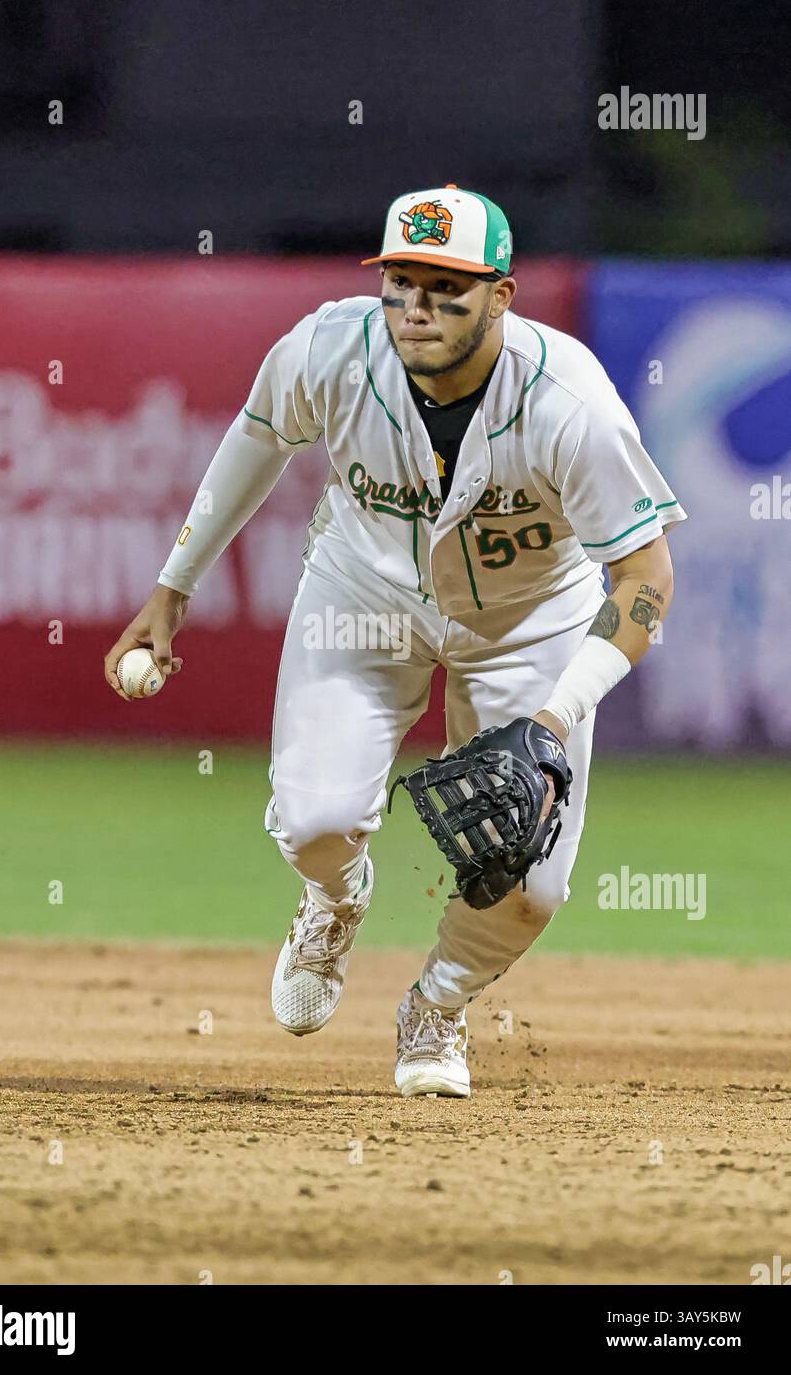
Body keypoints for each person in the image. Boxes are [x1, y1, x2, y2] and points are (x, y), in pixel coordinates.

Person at [105, 184, 684, 1099]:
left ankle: (437, 1006)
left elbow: (645, 580)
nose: (416, 307)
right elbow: (256, 442)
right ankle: (335, 904)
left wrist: (551, 717)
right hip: (363, 593)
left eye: (446, 286)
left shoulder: (568, 403)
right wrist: (173, 585)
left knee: (526, 879)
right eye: (401, 281)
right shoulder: (330, 349)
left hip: (529, 618)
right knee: (316, 821)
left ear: (501, 294)